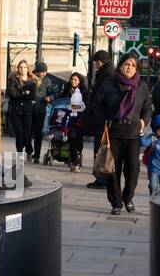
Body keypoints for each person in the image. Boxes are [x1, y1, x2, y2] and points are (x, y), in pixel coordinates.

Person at [93, 53, 153, 214]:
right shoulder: (109, 83)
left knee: (133, 169)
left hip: (133, 133)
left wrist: (143, 121)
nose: (130, 68)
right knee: (113, 169)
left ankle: (128, 197)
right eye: (127, 64)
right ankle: (116, 202)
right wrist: (104, 121)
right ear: (120, 65)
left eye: (133, 65)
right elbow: (96, 104)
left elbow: (148, 106)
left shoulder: (141, 85)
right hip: (113, 132)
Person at [85, 50, 114, 188]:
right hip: (101, 118)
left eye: (96, 63)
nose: (95, 65)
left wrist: (100, 116)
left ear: (99, 62)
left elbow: (102, 98)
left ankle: (103, 179)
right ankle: (101, 178)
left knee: (101, 149)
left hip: (102, 119)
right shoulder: (106, 73)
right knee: (101, 148)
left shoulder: (107, 74)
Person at [5, 59, 35, 155]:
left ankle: (29, 150)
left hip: (27, 111)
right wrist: (24, 93)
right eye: (21, 67)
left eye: (25, 67)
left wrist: (20, 93)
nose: (23, 69)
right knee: (19, 134)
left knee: (26, 135)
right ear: (18, 69)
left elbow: (32, 96)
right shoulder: (13, 80)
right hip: (15, 112)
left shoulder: (31, 82)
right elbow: (12, 93)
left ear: (28, 69)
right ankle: (20, 155)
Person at [64, 71, 86, 172]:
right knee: (72, 140)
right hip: (70, 119)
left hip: (80, 119)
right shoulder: (66, 90)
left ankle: (77, 157)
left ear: (80, 81)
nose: (73, 81)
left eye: (75, 79)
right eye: (72, 79)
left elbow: (85, 105)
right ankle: (74, 162)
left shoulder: (84, 91)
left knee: (79, 141)